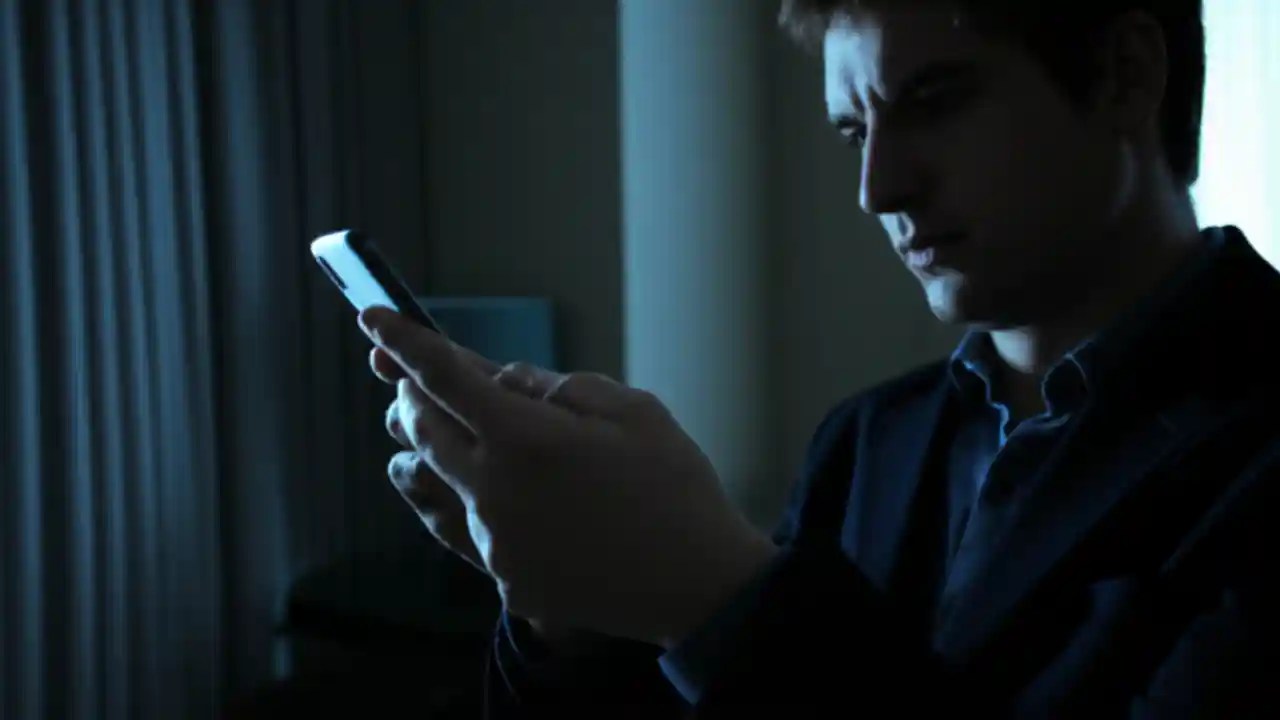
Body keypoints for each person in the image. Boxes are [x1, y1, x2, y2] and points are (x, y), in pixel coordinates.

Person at [362, 0, 1280, 715]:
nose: (879, 187)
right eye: (854, 131)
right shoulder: (871, 441)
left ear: (1125, 74)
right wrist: (567, 607)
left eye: (936, 102)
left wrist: (716, 598)